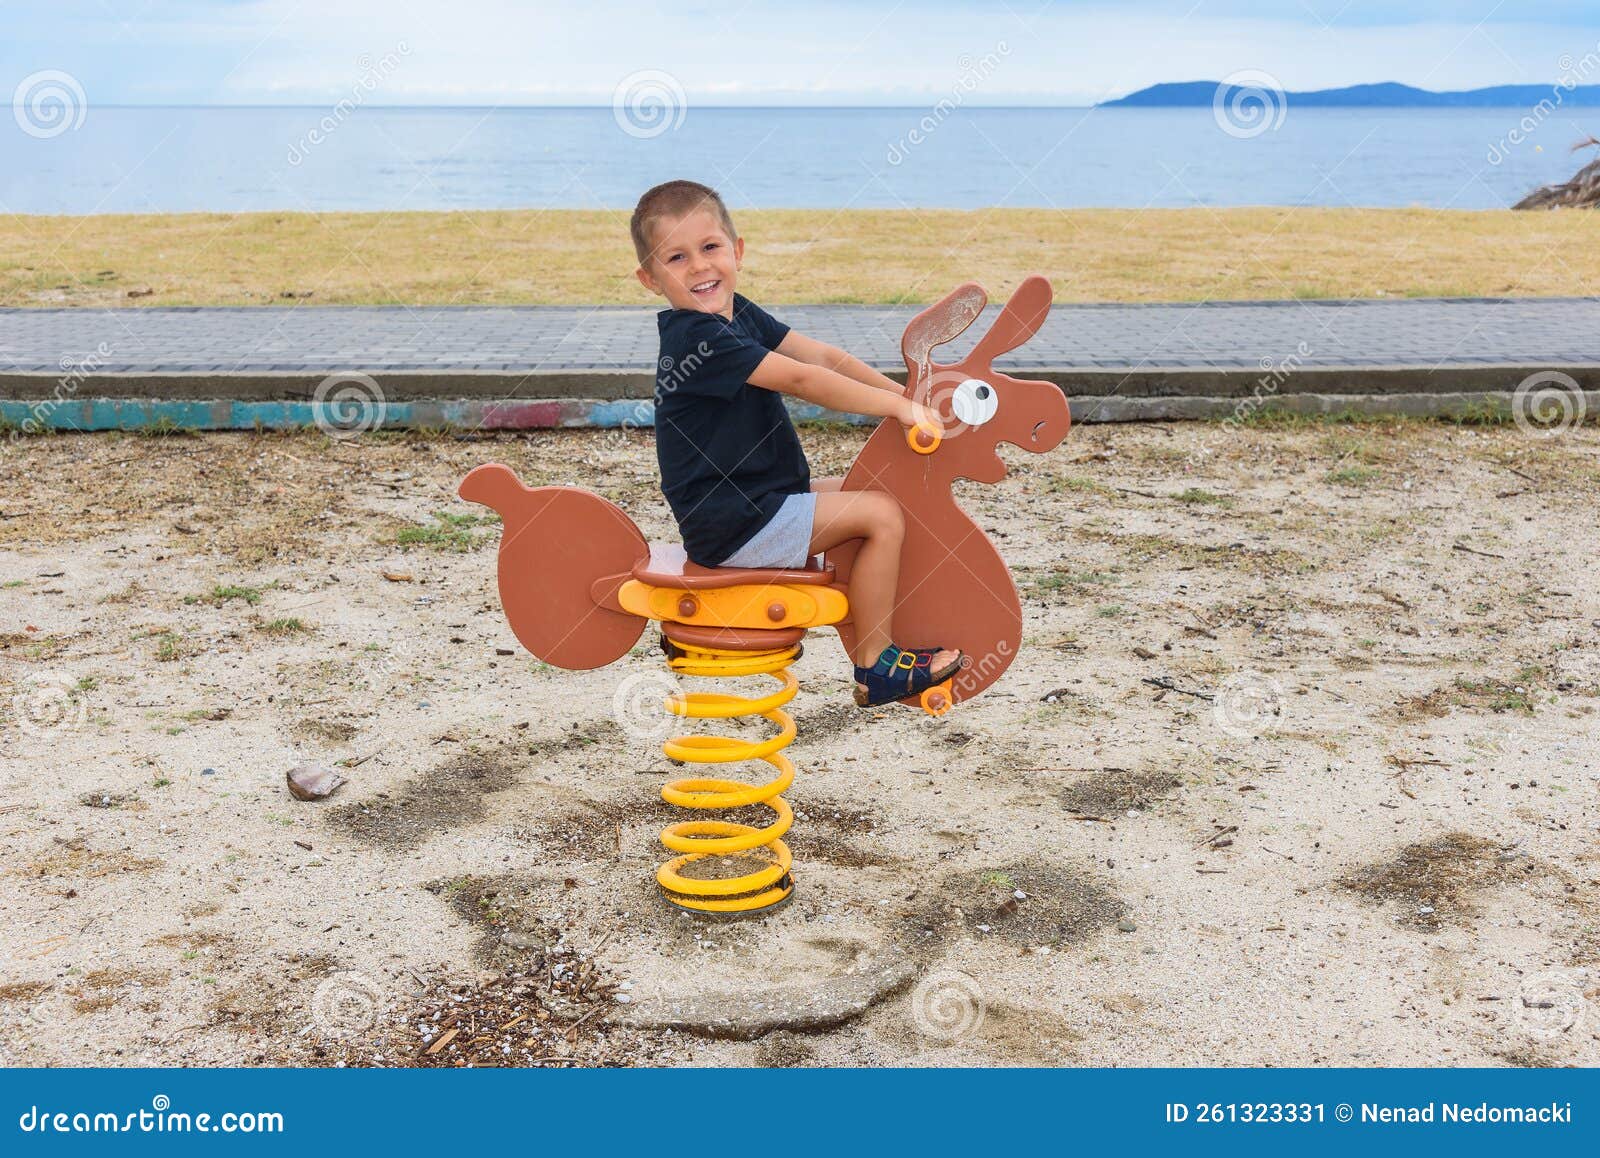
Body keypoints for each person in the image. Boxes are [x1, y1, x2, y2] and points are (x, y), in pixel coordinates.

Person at [631, 179, 964, 708]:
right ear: (650, 279)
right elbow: (804, 381)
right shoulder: (698, 338)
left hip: (758, 503)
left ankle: (869, 632)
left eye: (710, 247)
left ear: (736, 251)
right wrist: (898, 409)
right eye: (677, 257)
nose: (699, 266)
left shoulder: (735, 313)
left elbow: (824, 358)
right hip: (735, 522)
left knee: (870, 489)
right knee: (880, 515)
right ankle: (877, 664)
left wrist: (910, 395)